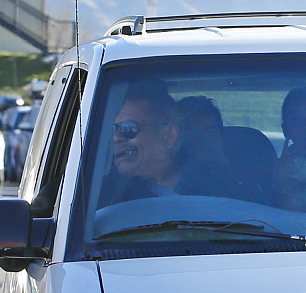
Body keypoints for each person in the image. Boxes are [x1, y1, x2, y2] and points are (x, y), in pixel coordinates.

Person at [99, 84, 233, 204]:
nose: (116, 137)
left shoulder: (221, 187)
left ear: (169, 135)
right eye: (113, 129)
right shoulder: (94, 194)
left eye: (128, 128)